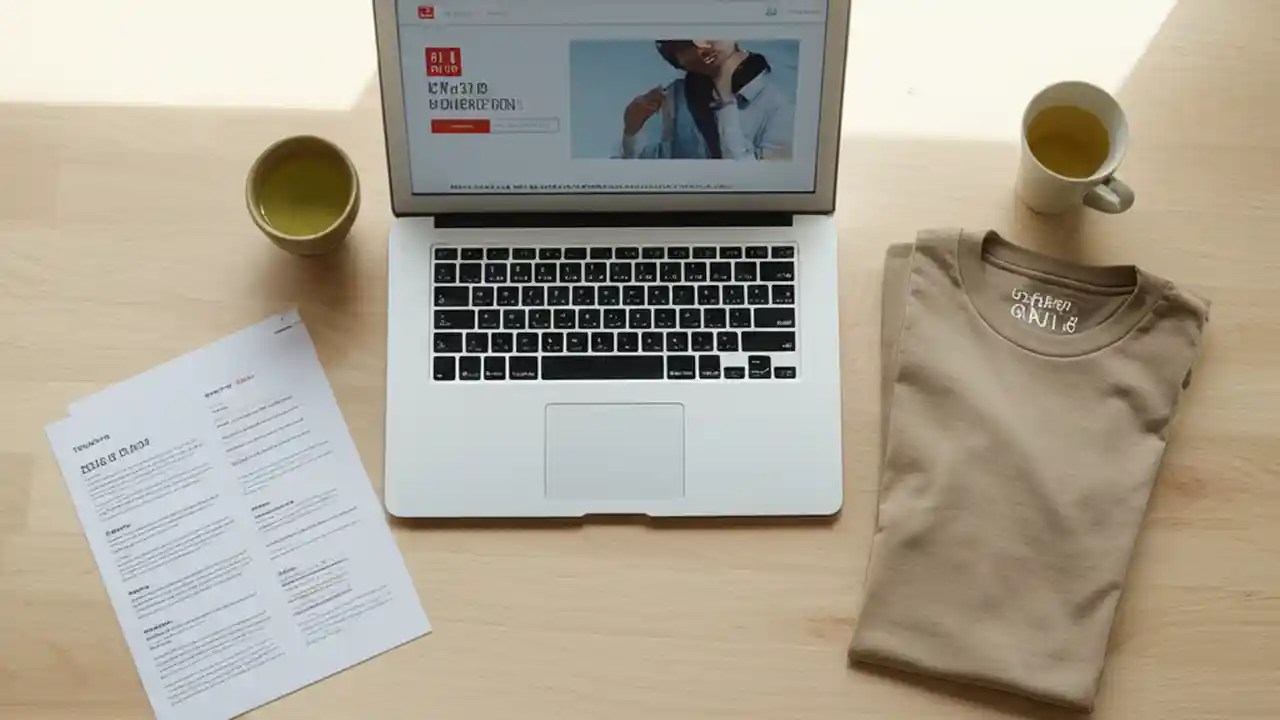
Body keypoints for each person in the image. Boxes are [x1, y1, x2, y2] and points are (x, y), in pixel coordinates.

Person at [620, 40, 794, 160]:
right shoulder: (677, 95)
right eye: (684, 45)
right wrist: (632, 130)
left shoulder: (781, 103)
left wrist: (726, 106)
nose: (700, 45)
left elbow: (758, 186)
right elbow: (651, 170)